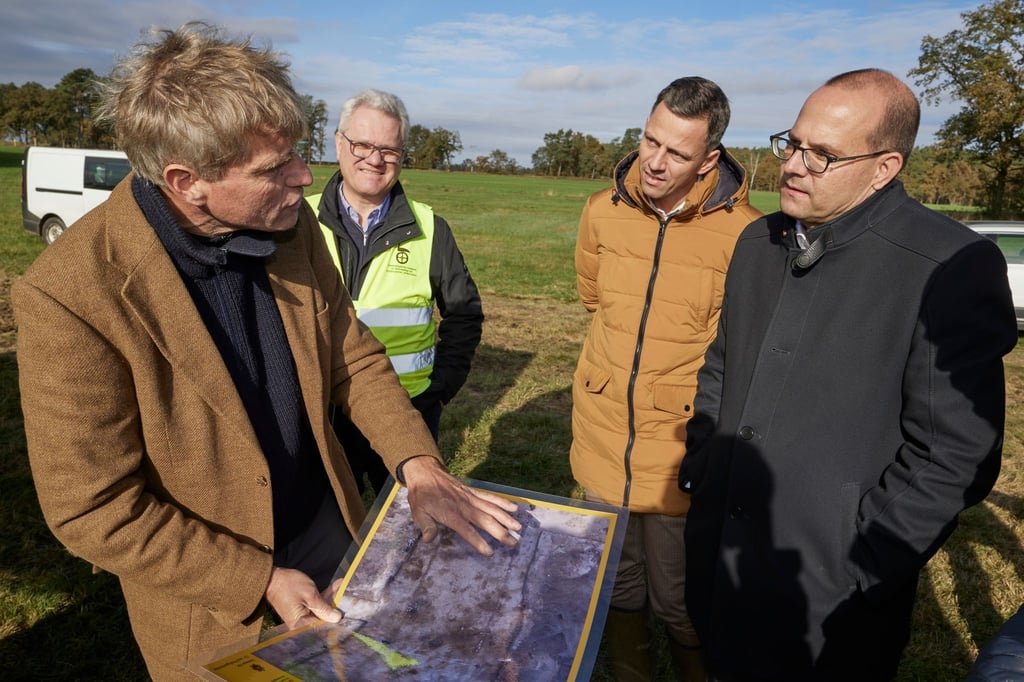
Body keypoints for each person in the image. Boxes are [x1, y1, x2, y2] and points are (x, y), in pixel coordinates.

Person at [13, 23, 520, 681]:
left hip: (334, 540)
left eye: (297, 154)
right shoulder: (69, 297)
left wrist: (418, 464)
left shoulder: (290, 222)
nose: (306, 178)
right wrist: (258, 579)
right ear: (185, 179)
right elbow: (93, 509)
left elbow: (353, 355)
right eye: (274, 168)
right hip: (216, 605)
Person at [679, 68, 1017, 681]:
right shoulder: (760, 240)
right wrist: (703, 465)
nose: (793, 164)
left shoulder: (947, 267)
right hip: (720, 561)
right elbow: (721, 366)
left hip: (833, 602)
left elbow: (955, 454)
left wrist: (863, 561)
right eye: (792, 142)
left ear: (884, 167)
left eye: (823, 154)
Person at [570, 76, 761, 680]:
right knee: (619, 588)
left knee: (680, 601)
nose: (655, 161)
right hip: (601, 438)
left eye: (677, 152)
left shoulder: (746, 235)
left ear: (710, 158)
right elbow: (594, 297)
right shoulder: (601, 211)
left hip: (682, 450)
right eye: (650, 140)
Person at [307, 89, 483, 498]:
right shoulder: (299, 221)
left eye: (388, 148)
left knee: (411, 531)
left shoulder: (430, 227)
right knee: (333, 538)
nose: (374, 158)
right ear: (338, 143)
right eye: (363, 144)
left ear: (402, 155)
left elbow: (464, 314)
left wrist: (440, 392)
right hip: (321, 417)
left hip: (409, 412)